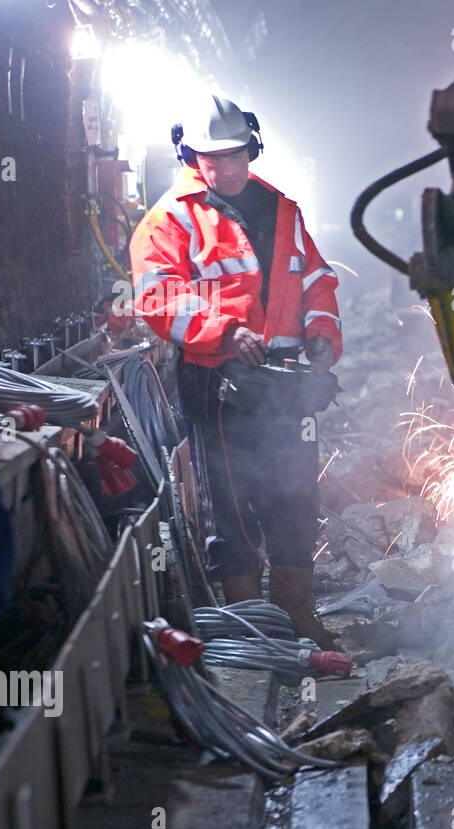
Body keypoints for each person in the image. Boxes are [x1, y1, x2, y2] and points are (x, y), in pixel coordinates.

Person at [129, 94, 341, 648]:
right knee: (232, 503)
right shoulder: (170, 219)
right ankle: (249, 626)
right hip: (217, 386)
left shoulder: (283, 211)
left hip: (286, 384)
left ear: (252, 148)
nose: (222, 166)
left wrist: (322, 335)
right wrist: (224, 331)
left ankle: (296, 610)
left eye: (233, 154)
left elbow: (317, 280)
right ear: (190, 156)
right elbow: (156, 297)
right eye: (209, 156)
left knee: (295, 495)